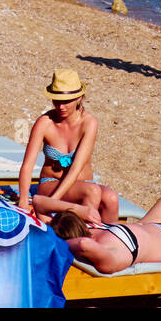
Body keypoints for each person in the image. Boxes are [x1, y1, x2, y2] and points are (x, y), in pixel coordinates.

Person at [17, 69, 118, 225]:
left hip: (81, 184)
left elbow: (76, 168)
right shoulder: (45, 122)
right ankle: (81, 238)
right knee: (92, 192)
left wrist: (51, 203)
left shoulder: (89, 123)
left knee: (111, 198)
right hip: (50, 183)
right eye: (56, 101)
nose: (60, 106)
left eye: (66, 101)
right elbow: (27, 165)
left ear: (79, 98)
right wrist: (23, 200)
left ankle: (110, 243)